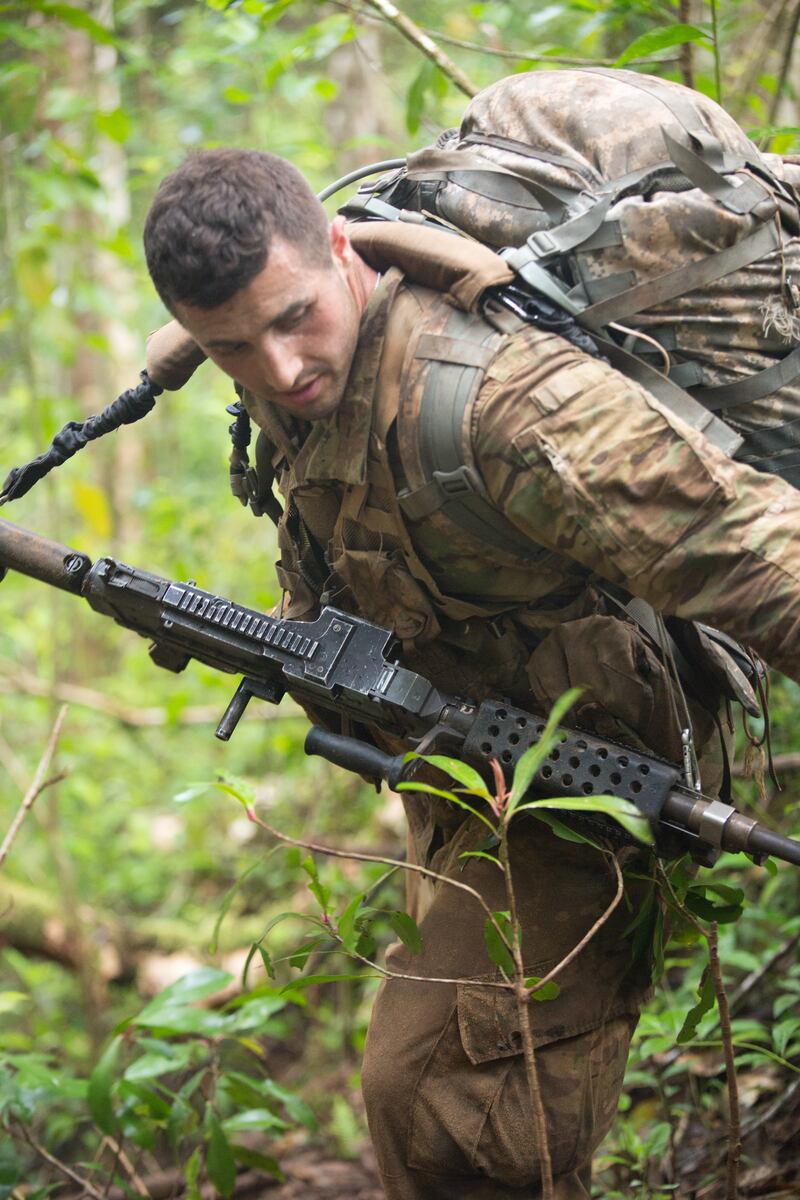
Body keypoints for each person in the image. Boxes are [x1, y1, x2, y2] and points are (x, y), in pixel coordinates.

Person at [143, 147, 800, 1199]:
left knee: (446, 1112)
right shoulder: (287, 351)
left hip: (594, 760)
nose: (278, 369)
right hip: (457, 744)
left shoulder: (503, 403)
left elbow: (752, 550)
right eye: (230, 348)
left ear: (342, 250)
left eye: (293, 318)